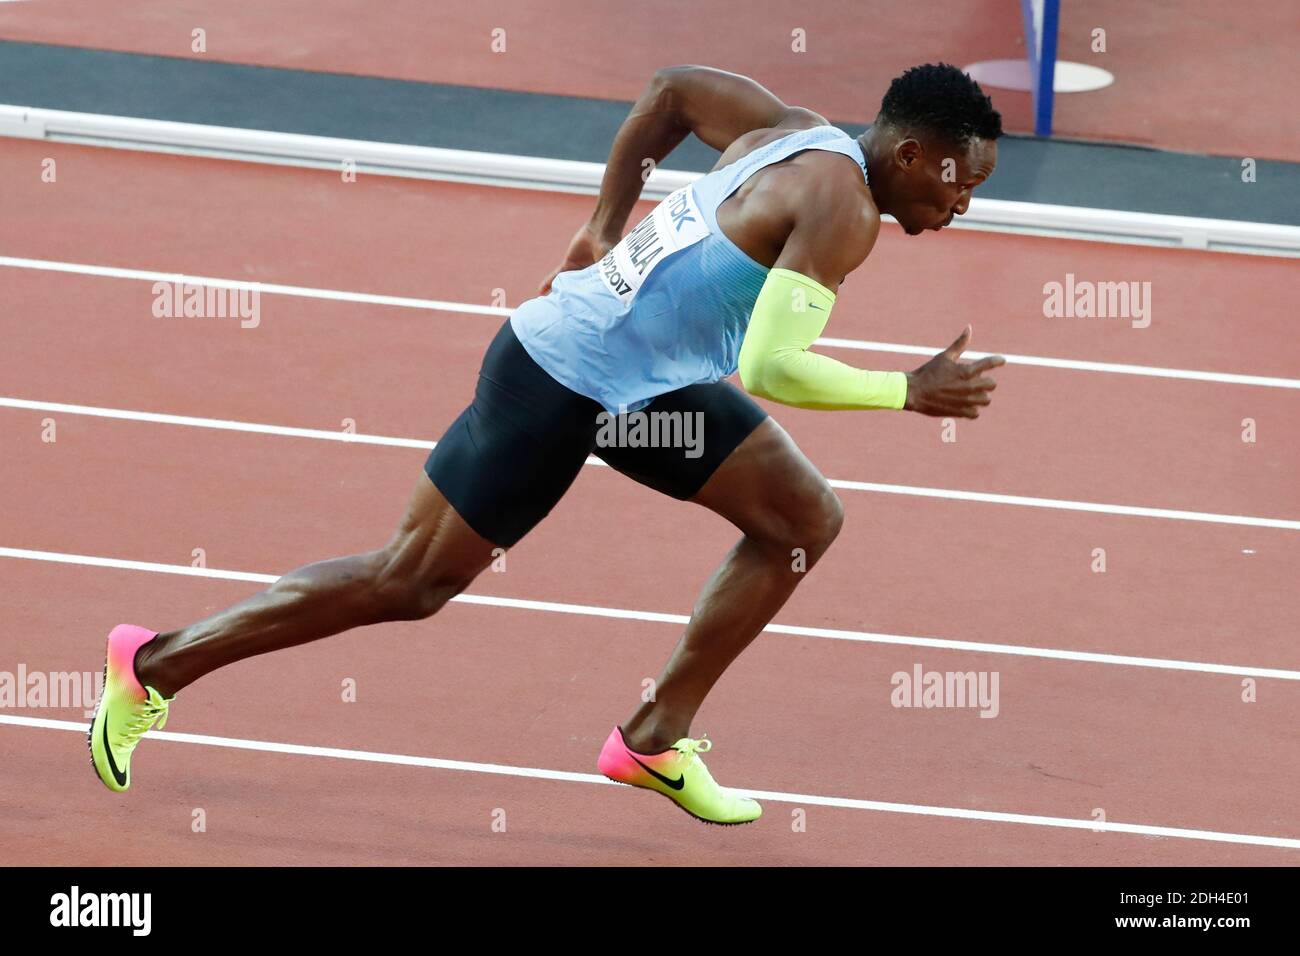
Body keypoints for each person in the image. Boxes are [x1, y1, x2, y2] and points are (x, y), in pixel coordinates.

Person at [90, 63, 1006, 825]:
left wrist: (605, 221)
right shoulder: (842, 210)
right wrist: (906, 391)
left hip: (646, 386)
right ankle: (156, 662)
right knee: (410, 582)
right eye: (962, 182)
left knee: (801, 518)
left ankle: (651, 741)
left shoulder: (794, 128)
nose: (964, 205)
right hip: (562, 377)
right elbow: (772, 369)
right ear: (912, 152)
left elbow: (675, 92)